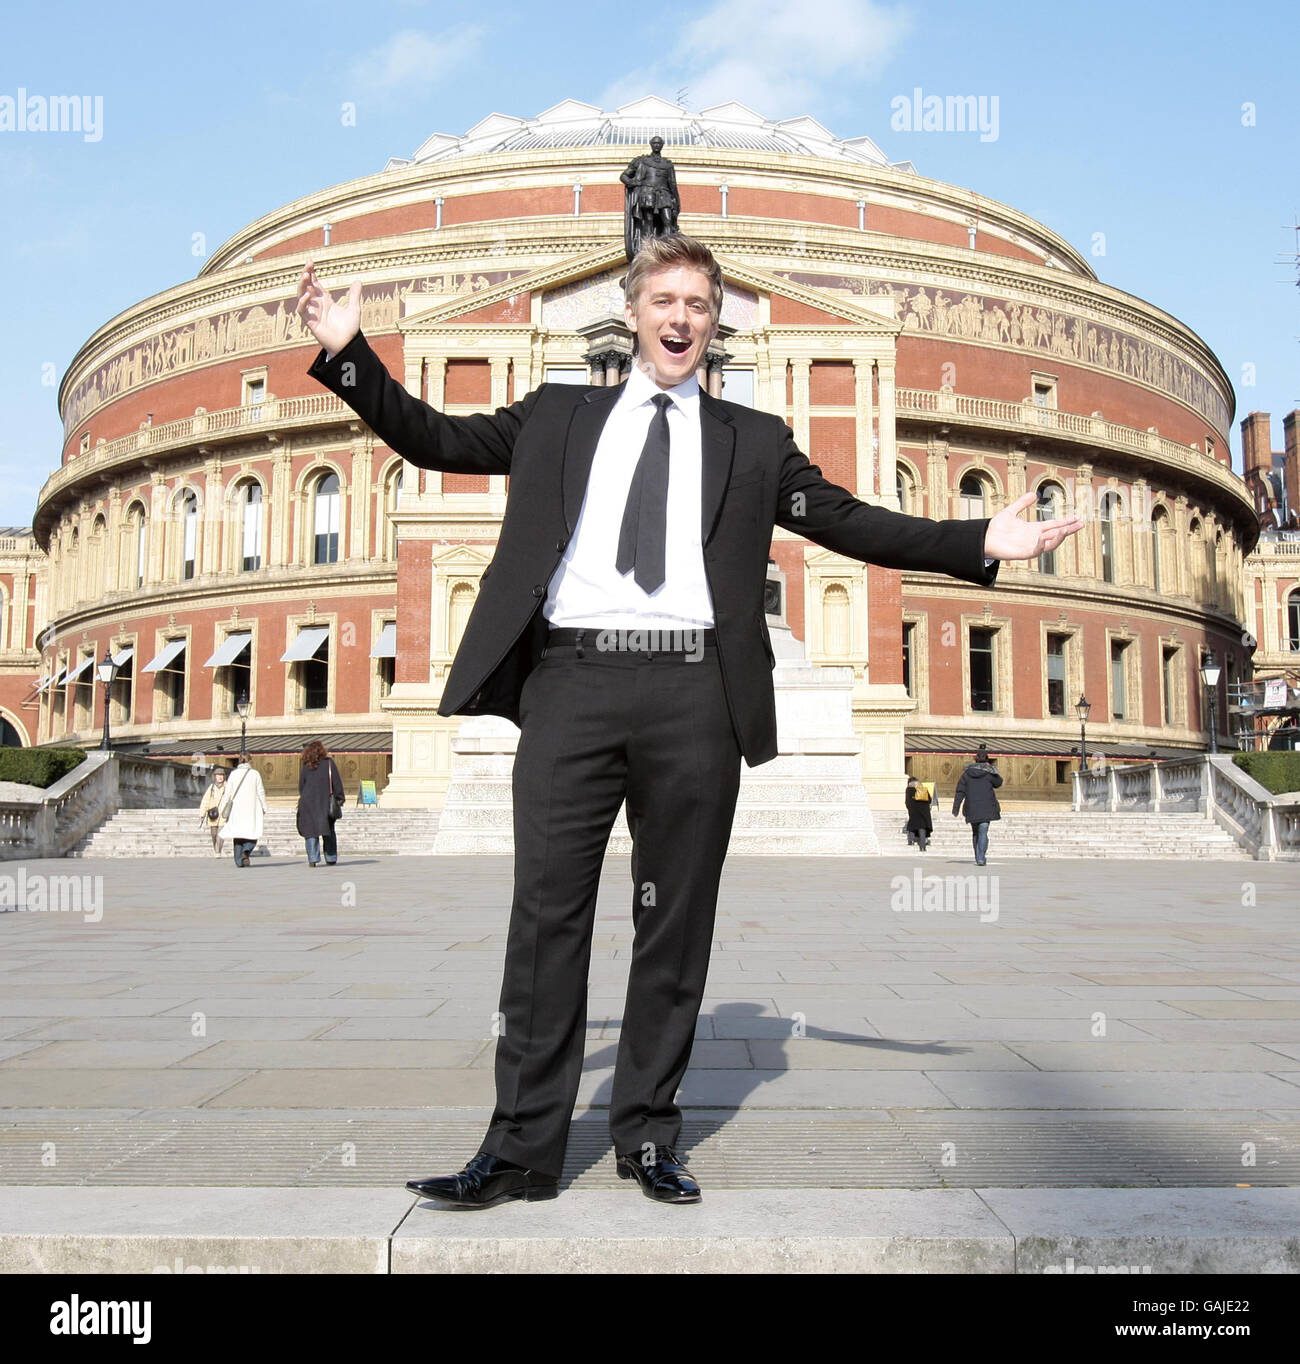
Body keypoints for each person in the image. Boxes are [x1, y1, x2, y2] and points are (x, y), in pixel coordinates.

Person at [297, 233, 1082, 1210]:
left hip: (694, 694)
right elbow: (433, 439)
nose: (679, 318)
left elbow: (847, 520)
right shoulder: (556, 415)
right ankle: (520, 1149)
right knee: (545, 916)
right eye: (662, 299)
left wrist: (978, 538)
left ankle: (648, 1134)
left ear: (717, 324)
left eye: (698, 305)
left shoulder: (752, 442)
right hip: (572, 683)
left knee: (674, 922)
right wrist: (348, 351)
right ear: (631, 311)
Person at [952, 744, 1002, 866]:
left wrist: (956, 807)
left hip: (972, 807)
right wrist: (992, 769)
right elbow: (998, 783)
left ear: (975, 759)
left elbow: (960, 791)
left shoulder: (967, 774)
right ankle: (981, 857)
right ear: (987, 759)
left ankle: (978, 856)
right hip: (987, 807)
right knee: (983, 832)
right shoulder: (989, 773)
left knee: (975, 832)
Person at [297, 739, 344, 867]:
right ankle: (331, 857)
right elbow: (336, 782)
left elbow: (301, 785)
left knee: (311, 831)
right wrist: (340, 797)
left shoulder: (306, 766)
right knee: (328, 830)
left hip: (308, 802)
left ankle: (313, 858)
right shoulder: (329, 763)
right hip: (325, 801)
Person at [218, 755, 267, 868]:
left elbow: (228, 793)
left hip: (237, 808)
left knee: (238, 835)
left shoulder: (234, 774)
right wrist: (264, 806)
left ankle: (239, 860)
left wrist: (222, 807)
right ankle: (246, 850)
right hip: (251, 808)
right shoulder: (255, 774)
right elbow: (260, 791)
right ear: (250, 761)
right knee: (253, 833)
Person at [197, 766, 229, 856]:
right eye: (218, 775)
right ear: (215, 776)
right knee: (214, 834)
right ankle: (215, 847)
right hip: (213, 814)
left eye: (222, 775)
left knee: (221, 833)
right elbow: (205, 800)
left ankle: (218, 851)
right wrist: (202, 813)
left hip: (223, 814)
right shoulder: (211, 788)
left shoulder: (228, 787)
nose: (220, 777)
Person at [904, 774, 933, 852]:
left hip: (914, 809)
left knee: (912, 824)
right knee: (922, 827)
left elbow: (907, 801)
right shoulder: (923, 788)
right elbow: (929, 800)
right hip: (924, 810)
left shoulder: (909, 789)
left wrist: (909, 808)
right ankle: (923, 847)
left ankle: (911, 841)